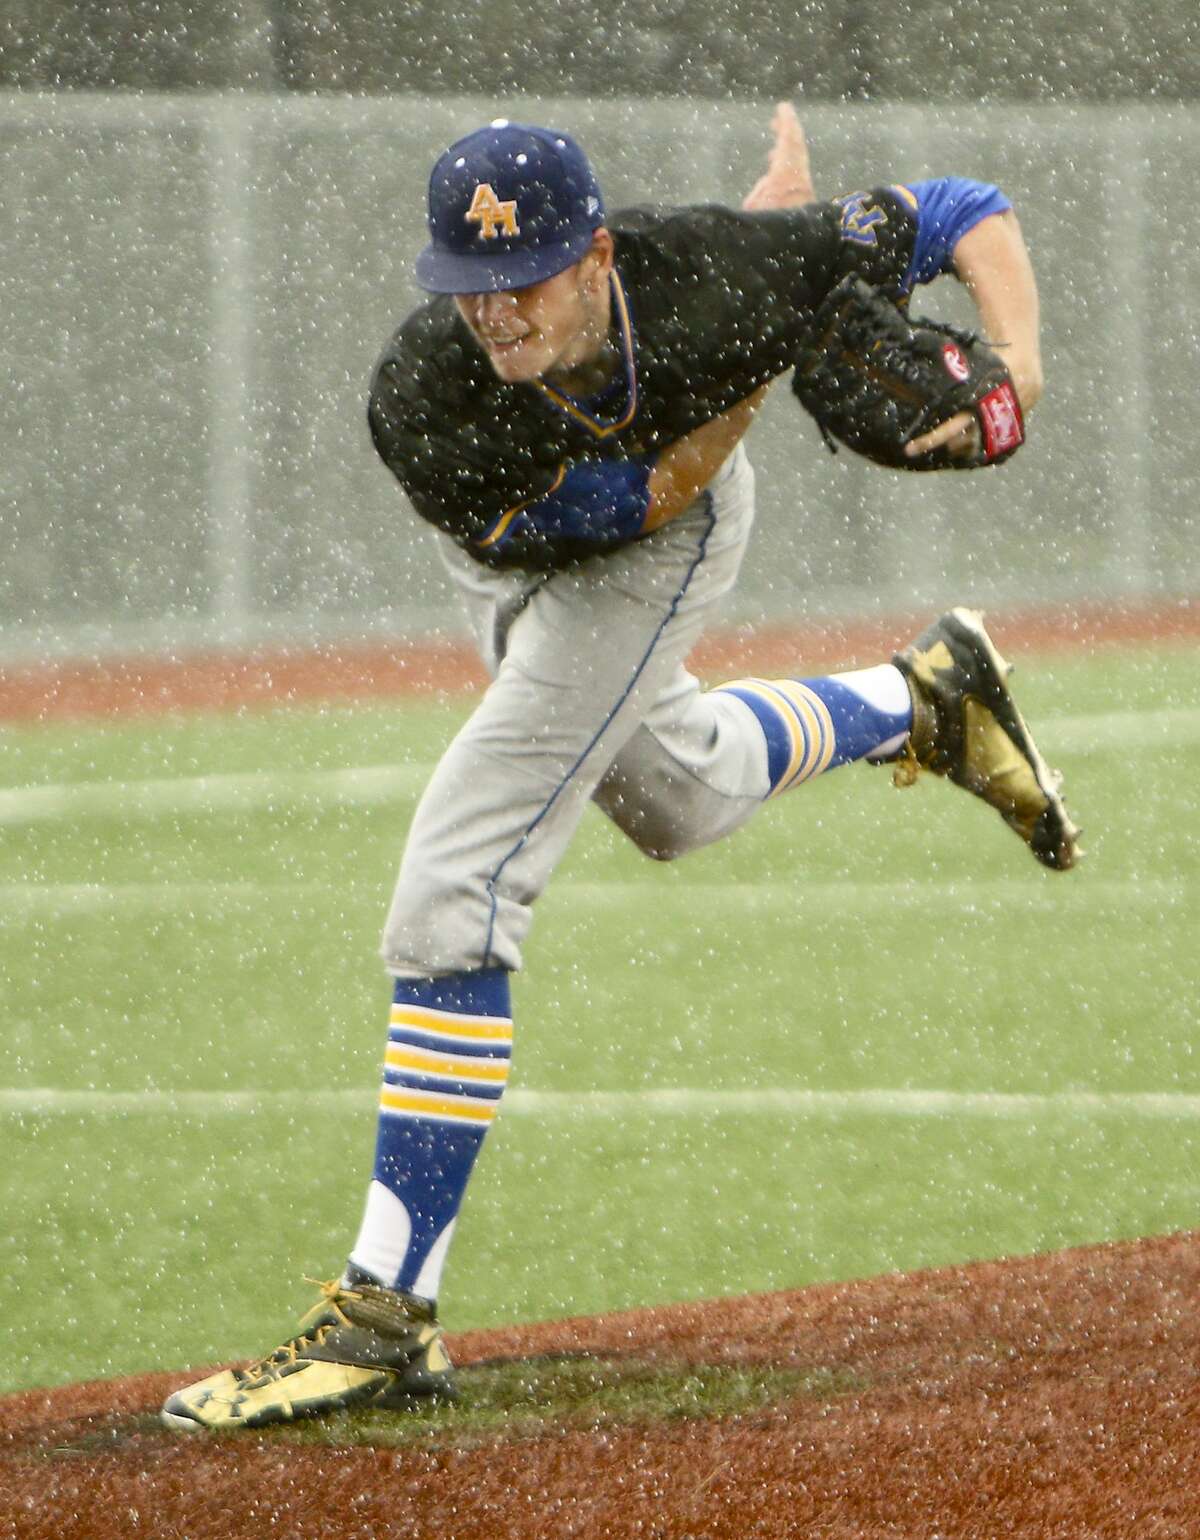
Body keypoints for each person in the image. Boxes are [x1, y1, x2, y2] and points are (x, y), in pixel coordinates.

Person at [162, 104, 1077, 1431]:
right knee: (676, 795)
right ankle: (918, 700)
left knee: (456, 879)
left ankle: (383, 1316)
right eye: (469, 282)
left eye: (524, 272)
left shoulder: (712, 270)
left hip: (670, 547)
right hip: (535, 550)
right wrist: (761, 367)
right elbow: (601, 504)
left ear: (596, 252)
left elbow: (962, 202)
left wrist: (1018, 354)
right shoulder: (420, 393)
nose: (496, 310)